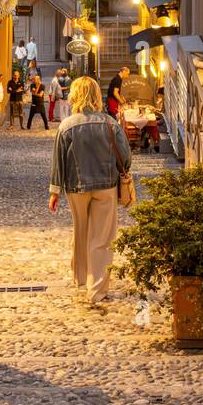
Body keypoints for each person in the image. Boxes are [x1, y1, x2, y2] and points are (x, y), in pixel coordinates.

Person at [48, 75, 132, 306]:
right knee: (102, 239)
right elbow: (125, 158)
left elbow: (58, 161)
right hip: (106, 186)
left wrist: (55, 192)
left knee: (81, 231)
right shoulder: (110, 123)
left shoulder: (67, 126)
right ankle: (96, 290)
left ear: (75, 95)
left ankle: (81, 279)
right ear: (96, 95)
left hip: (76, 186)